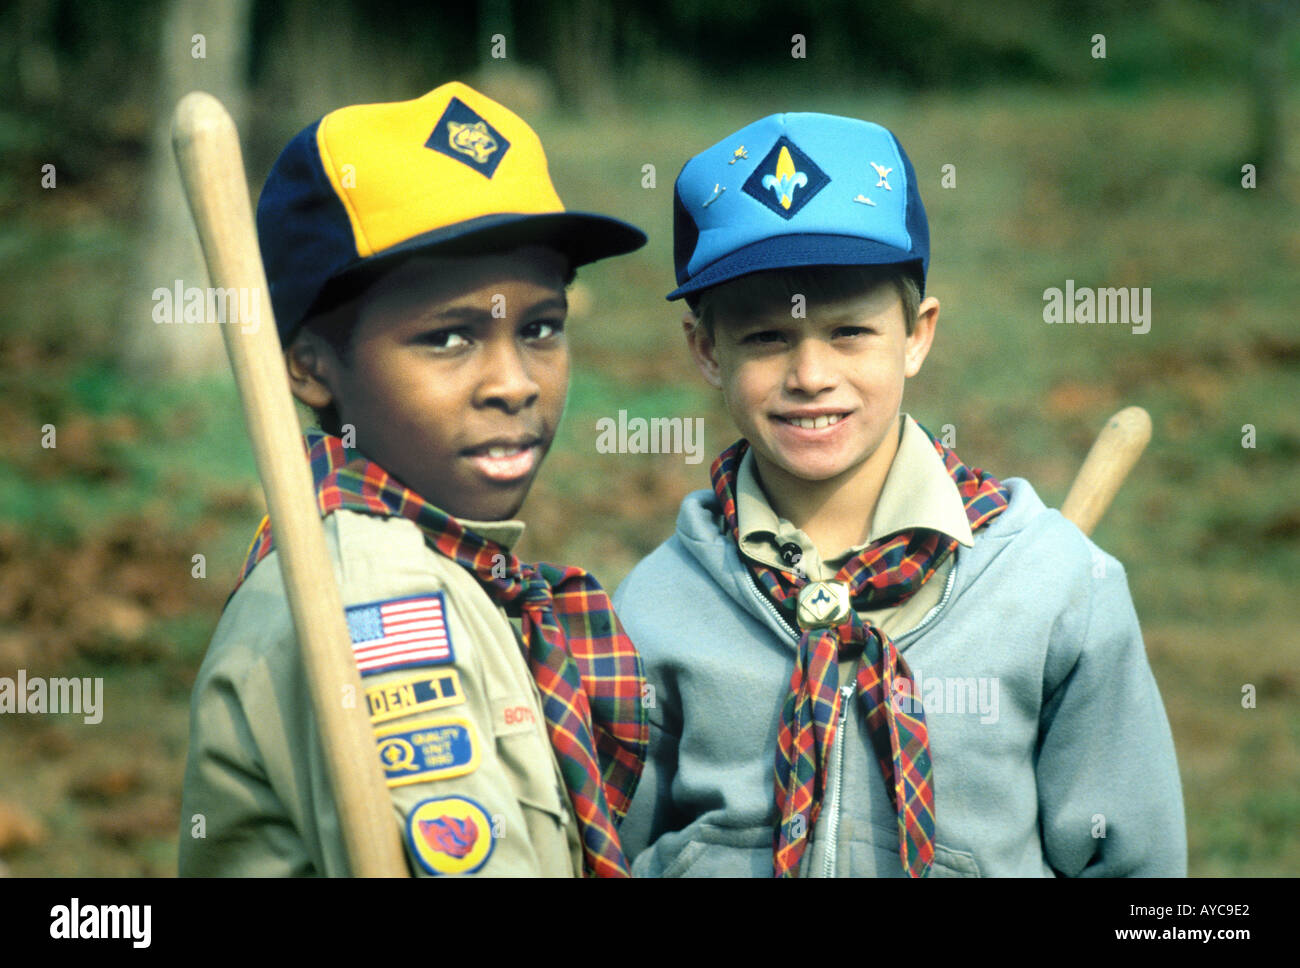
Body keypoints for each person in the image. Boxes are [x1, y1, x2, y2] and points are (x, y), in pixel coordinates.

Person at [615, 111, 1186, 877]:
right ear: (705, 350)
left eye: (850, 332)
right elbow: (611, 855)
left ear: (917, 333)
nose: (811, 375)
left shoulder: (1056, 589)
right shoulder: (654, 610)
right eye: (765, 337)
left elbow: (1137, 873)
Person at [179, 81, 648, 877]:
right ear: (309, 368)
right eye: (448, 338)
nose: (514, 382)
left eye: (539, 328)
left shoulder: (453, 566)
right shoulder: (378, 601)